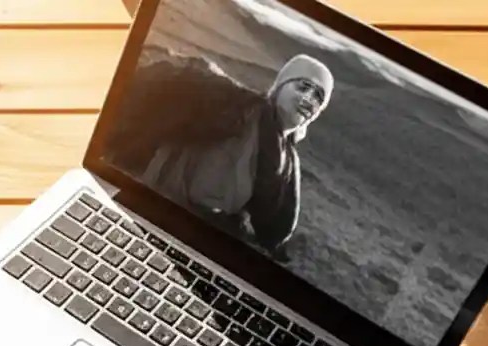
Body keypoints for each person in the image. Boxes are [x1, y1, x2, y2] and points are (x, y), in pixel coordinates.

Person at [108, 51, 334, 259]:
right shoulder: (238, 108)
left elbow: (273, 230)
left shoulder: (287, 161)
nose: (308, 99)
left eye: (318, 97)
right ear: (281, 86)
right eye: (303, 87)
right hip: (152, 211)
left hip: (198, 242)